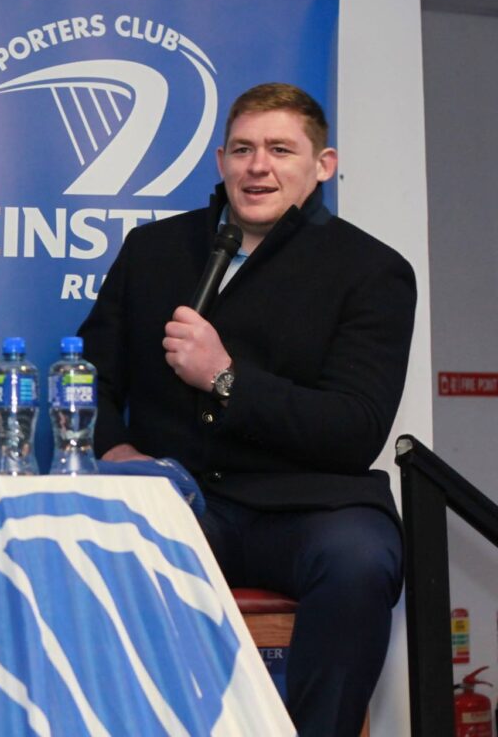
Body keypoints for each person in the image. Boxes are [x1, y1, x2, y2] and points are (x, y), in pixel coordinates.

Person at [78, 83, 415, 736]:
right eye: (243, 149)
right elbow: (89, 375)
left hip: (310, 510)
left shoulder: (372, 271)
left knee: (359, 562)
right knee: (96, 547)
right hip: (182, 502)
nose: (257, 166)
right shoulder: (153, 252)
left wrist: (225, 379)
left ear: (323, 165)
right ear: (220, 161)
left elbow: (355, 428)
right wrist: (114, 447)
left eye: (280, 149)